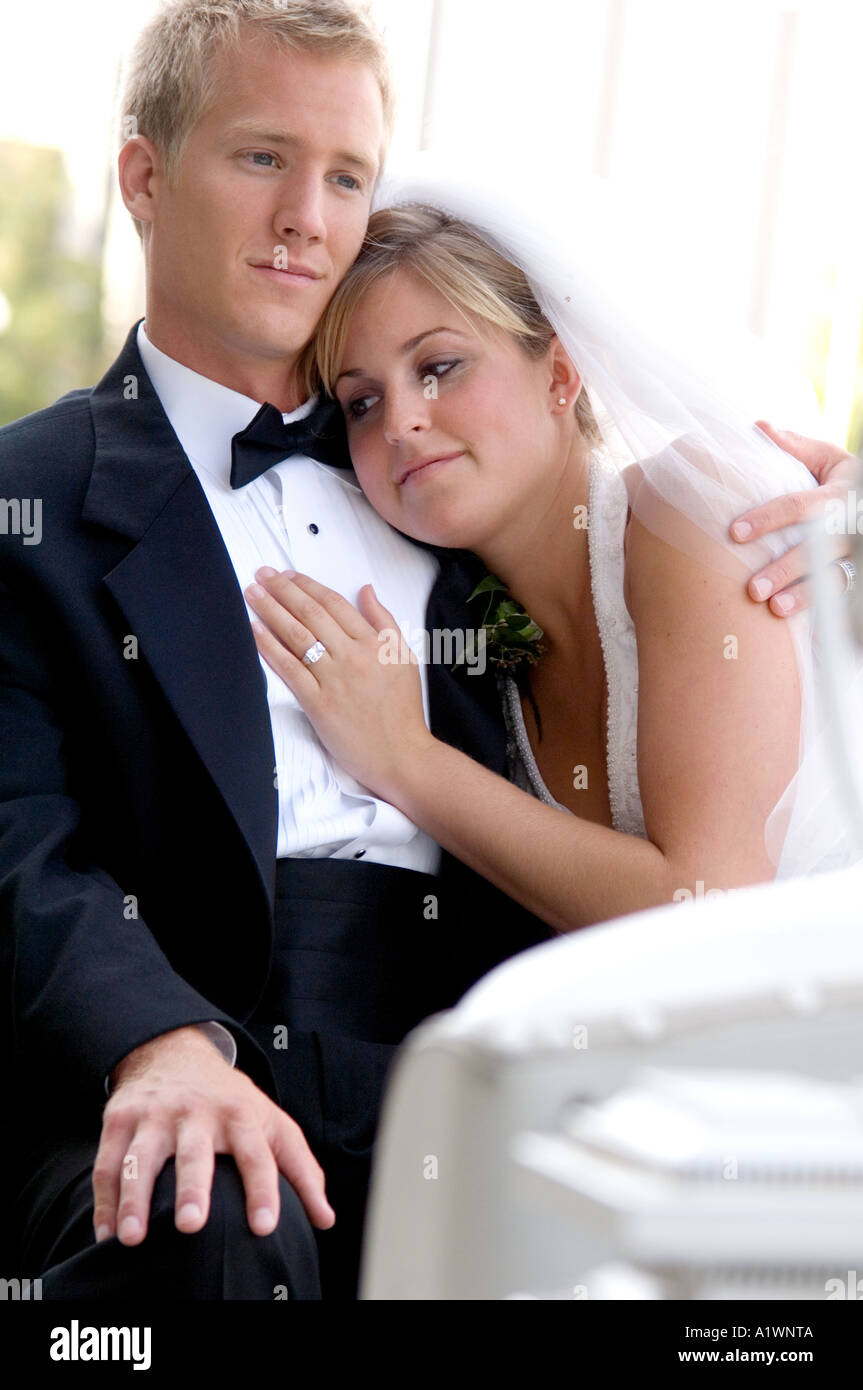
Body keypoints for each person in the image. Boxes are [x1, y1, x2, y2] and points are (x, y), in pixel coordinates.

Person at [0, 0, 853, 1303]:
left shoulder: (583, 510)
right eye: (259, 155)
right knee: (206, 1220)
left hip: (521, 1037)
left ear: (556, 367)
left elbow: (698, 878)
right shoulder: (35, 494)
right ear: (144, 176)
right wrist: (154, 1037)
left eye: (343, 172)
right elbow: (16, 825)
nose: (306, 213)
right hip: (203, 1024)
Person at [246, 183, 863, 932]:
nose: (403, 422)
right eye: (361, 402)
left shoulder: (691, 510)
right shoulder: (471, 650)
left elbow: (710, 905)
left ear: (560, 376)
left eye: (439, 366)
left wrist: (404, 758)